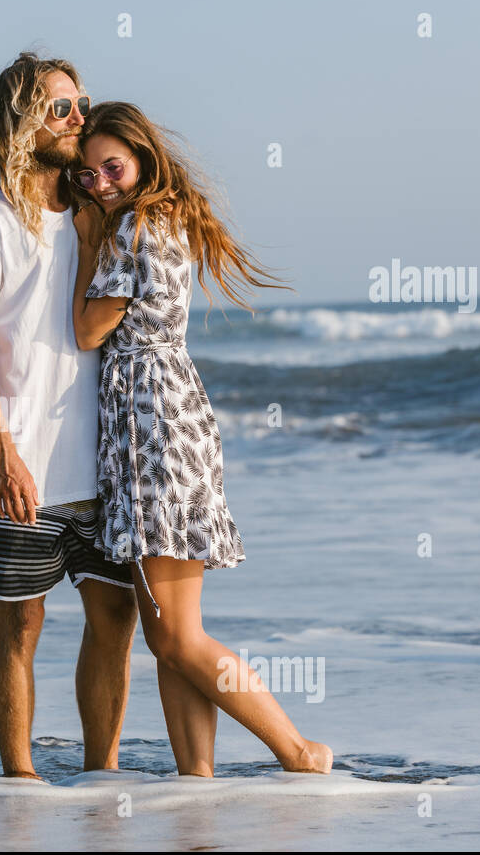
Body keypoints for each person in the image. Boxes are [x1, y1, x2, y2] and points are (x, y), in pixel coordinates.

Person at [70, 101, 333, 775]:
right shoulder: (165, 216)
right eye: (89, 174)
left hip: (152, 429)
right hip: (170, 419)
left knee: (180, 637)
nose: (101, 181)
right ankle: (198, 781)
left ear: (142, 156)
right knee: (168, 637)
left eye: (112, 166)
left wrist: (86, 239)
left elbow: (88, 330)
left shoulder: (129, 226)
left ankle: (298, 750)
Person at [0, 53, 139, 781]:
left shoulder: (96, 215)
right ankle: (20, 783)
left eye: (81, 102)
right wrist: (2, 453)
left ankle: (103, 775)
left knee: (114, 624)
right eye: (62, 108)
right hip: (20, 466)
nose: (80, 117)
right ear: (23, 121)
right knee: (21, 623)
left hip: (103, 464)